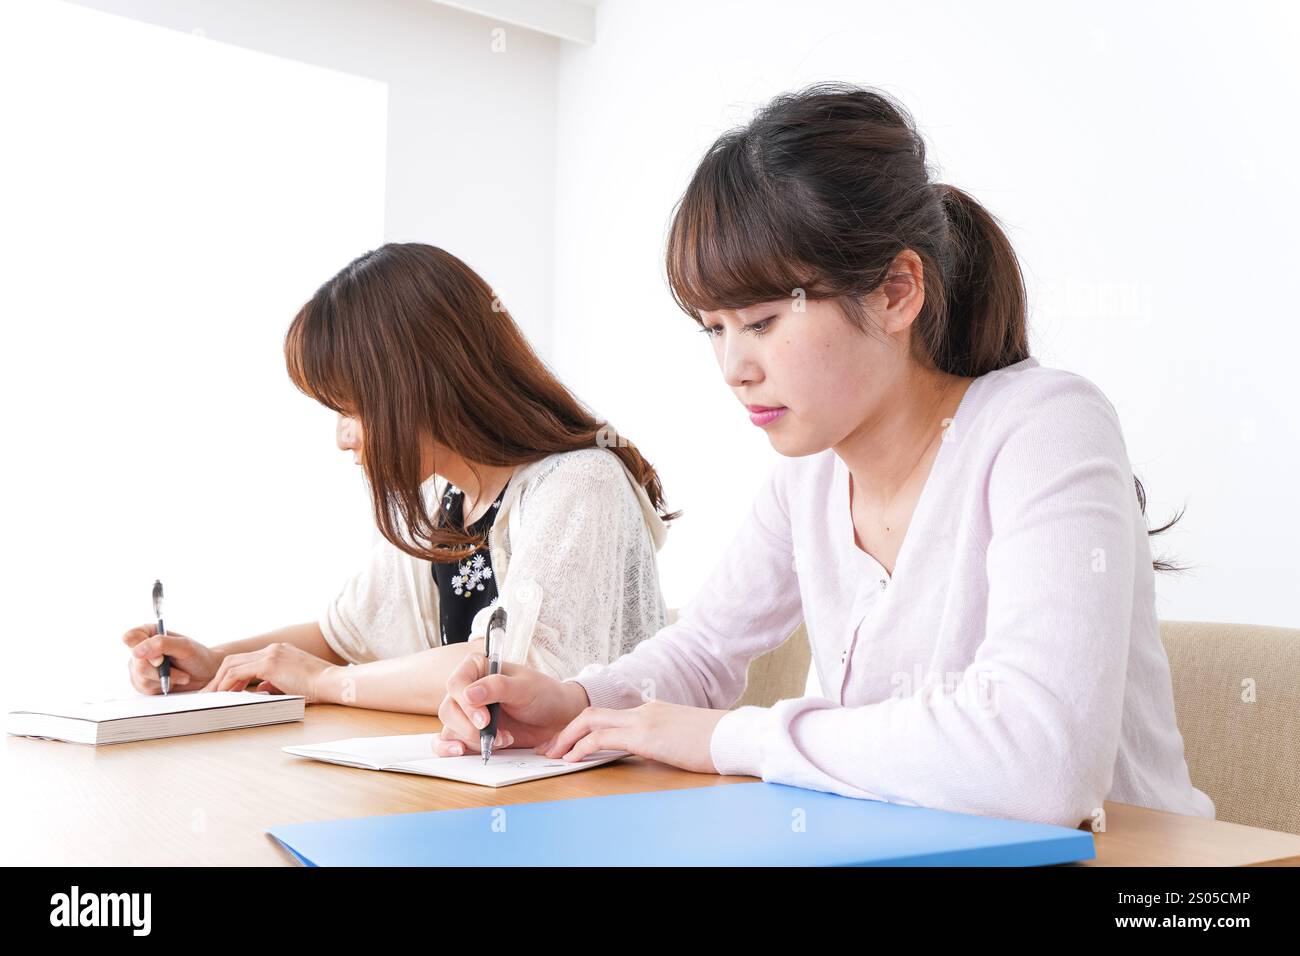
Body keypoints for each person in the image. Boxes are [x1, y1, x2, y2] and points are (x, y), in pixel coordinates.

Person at [431, 84, 1215, 828]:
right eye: (715, 328)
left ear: (897, 291)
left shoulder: (1045, 427)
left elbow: (1040, 761)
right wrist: (576, 699)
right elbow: (705, 650)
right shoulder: (810, 474)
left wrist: (726, 738)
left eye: (765, 321)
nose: (733, 366)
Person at [121, 243, 674, 719]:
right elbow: (344, 637)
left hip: (597, 800)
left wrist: (320, 684)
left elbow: (512, 667)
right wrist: (217, 663)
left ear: (423, 386)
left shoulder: (580, 483)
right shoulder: (443, 500)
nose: (343, 437)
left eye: (350, 408)